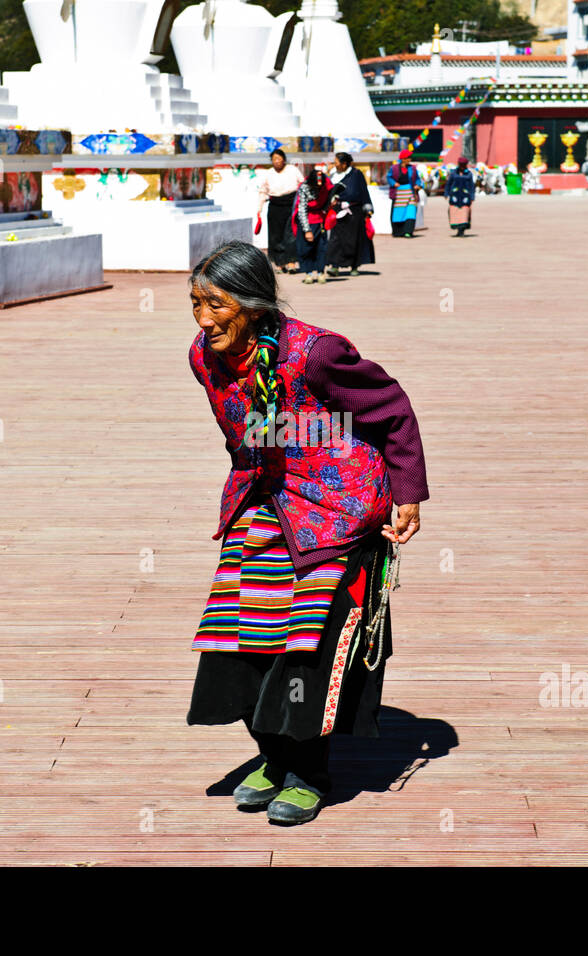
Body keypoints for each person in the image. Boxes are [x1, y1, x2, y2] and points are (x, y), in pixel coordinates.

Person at [185, 240, 429, 825]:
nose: (203, 319)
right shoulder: (204, 357)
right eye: (195, 303)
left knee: (306, 649)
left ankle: (307, 772)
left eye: (215, 305)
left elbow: (391, 409)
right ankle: (272, 754)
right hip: (264, 506)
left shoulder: (317, 354)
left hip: (336, 513)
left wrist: (407, 494)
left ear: (251, 303)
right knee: (240, 644)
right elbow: (239, 432)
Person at [325, 152, 376, 276]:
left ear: (344, 164)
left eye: (336, 162)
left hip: (355, 211)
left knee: (354, 240)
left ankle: (354, 266)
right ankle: (335, 266)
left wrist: (368, 209)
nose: (335, 164)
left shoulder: (356, 174)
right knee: (336, 240)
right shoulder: (333, 175)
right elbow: (328, 190)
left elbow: (364, 191)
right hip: (338, 211)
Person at [257, 149, 303, 273]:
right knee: (275, 235)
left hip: (291, 204)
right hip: (275, 205)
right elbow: (263, 191)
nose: (277, 161)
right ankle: (279, 263)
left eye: (279, 158)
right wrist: (259, 209)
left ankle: (291, 262)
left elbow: (302, 184)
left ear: (284, 159)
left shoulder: (293, 170)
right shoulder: (268, 173)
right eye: (274, 159)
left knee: (291, 234)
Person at [293, 166, 333, 284]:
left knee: (321, 248)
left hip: (320, 222)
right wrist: (307, 230)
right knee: (306, 249)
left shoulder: (325, 186)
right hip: (307, 222)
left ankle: (321, 272)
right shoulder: (304, 187)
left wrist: (331, 204)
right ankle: (308, 273)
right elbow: (301, 209)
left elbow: (325, 206)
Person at [386, 150, 421, 237]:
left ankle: (408, 231)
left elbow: (417, 178)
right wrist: (394, 183)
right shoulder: (394, 168)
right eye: (408, 157)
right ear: (403, 159)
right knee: (398, 213)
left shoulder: (412, 168)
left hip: (410, 192)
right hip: (399, 193)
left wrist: (418, 185)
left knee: (411, 212)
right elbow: (389, 177)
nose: (410, 159)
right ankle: (398, 232)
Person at [445, 156, 476, 236]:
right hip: (455, 197)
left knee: (464, 213)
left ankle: (462, 230)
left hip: (465, 197)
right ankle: (458, 230)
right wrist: (446, 193)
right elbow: (448, 184)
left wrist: (472, 196)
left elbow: (471, 186)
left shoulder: (469, 174)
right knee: (454, 213)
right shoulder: (453, 173)